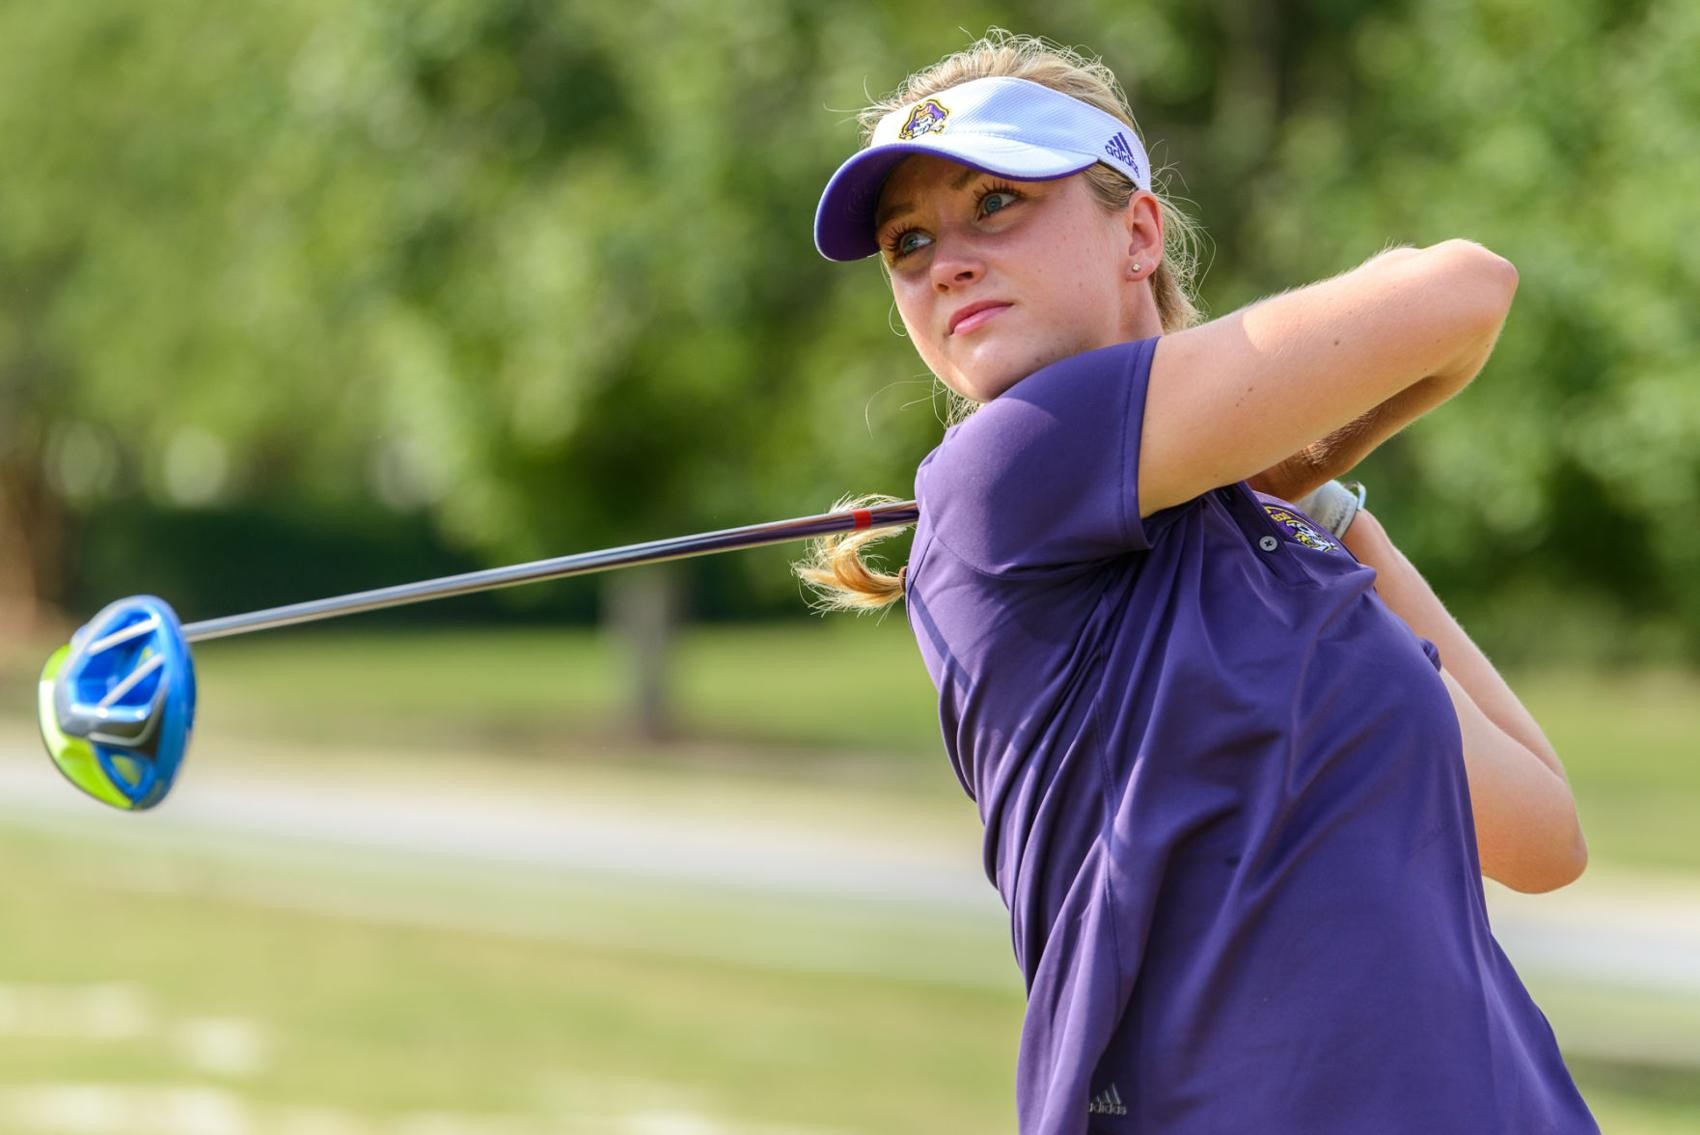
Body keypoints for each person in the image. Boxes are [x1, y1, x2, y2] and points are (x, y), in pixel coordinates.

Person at [794, 31, 1597, 1135]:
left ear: (1135, 231)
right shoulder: (1006, 467)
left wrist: (1312, 501)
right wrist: (1289, 450)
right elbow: (1453, 292)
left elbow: (1543, 835)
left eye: (993, 205)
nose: (944, 262)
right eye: (907, 242)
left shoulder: (1275, 546)